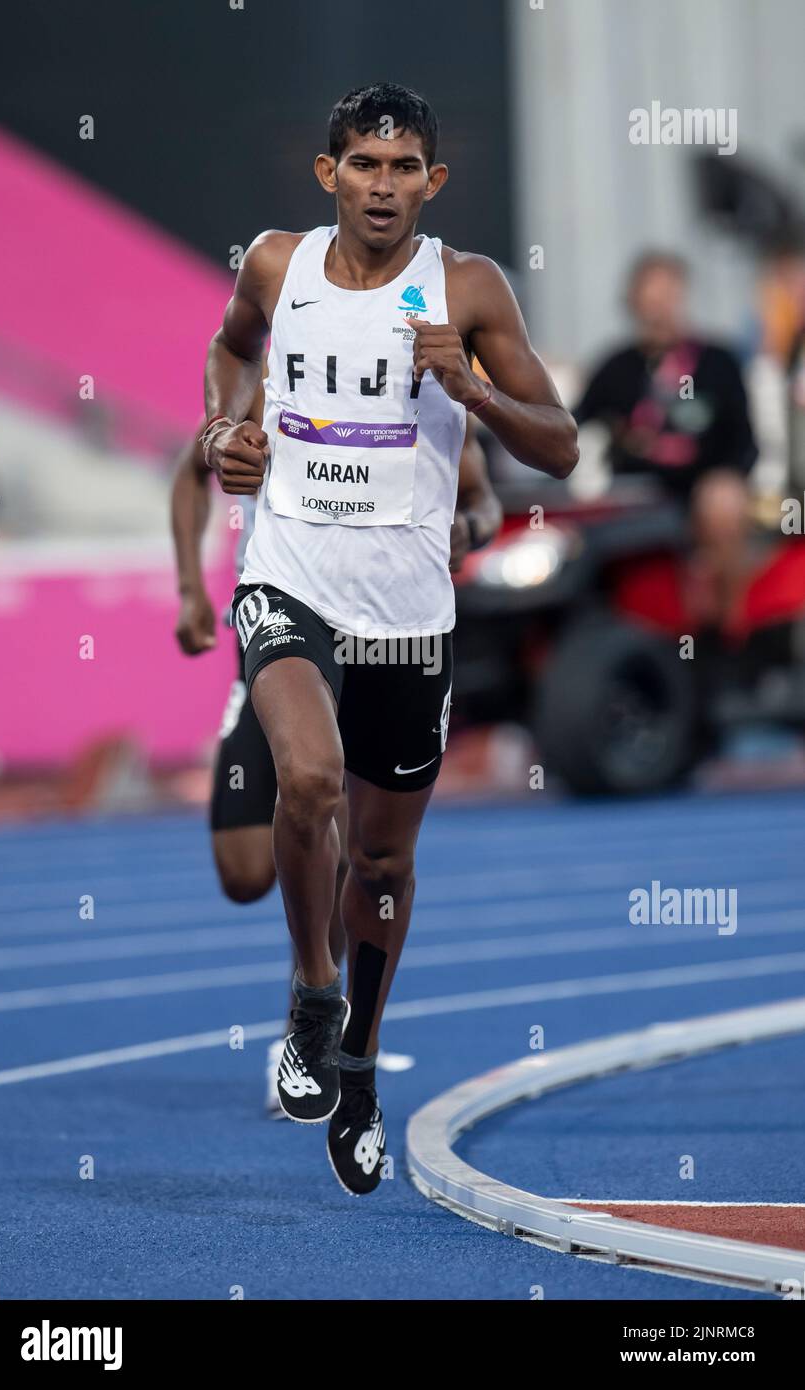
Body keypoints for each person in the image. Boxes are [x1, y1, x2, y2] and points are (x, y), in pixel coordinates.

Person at [202, 82, 577, 1194]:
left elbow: (557, 446)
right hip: (290, 577)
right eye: (364, 164)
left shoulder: (467, 287)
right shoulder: (277, 264)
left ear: (433, 181)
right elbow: (229, 352)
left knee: (384, 857)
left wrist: (471, 387)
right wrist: (227, 426)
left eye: (404, 166)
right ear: (330, 176)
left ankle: (358, 1062)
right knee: (307, 776)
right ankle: (315, 991)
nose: (383, 185)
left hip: (408, 616)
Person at [170, 400, 501, 1117]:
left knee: (346, 826)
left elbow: (484, 502)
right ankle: (314, 994)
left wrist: (463, 530)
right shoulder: (278, 380)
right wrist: (193, 587)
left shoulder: (424, 409)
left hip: (376, 643)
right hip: (276, 640)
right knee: (243, 871)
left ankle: (309, 1021)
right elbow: (189, 474)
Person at [575, 251, 758, 627]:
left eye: (667, 299)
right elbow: (572, 428)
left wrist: (727, 480)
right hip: (632, 489)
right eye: (649, 302)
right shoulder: (616, 366)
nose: (658, 312)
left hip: (702, 487)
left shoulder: (718, 361)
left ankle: (728, 630)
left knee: (723, 504)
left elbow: (745, 440)